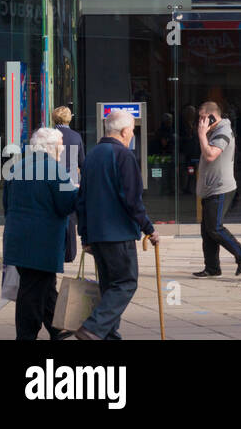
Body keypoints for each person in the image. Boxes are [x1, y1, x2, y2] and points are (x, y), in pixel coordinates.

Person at [75, 108, 158, 340]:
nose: (132, 135)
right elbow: (132, 199)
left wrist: (85, 237)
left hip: (97, 235)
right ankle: (93, 327)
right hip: (118, 234)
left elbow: (81, 200)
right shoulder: (123, 155)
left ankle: (108, 336)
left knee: (109, 287)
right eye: (131, 131)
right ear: (123, 131)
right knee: (125, 283)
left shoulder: (92, 155)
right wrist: (149, 228)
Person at [3, 127, 77, 340]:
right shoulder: (55, 169)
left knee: (44, 285)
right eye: (61, 143)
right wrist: (77, 191)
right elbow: (67, 205)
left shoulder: (17, 167)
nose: (63, 148)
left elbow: (7, 204)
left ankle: (57, 327)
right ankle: (26, 335)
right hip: (42, 244)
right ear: (51, 146)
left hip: (18, 241)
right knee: (32, 294)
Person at [194, 100, 241, 278]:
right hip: (210, 189)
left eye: (203, 118)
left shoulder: (223, 131)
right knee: (207, 231)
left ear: (212, 116)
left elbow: (211, 155)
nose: (200, 122)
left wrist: (202, 134)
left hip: (220, 188)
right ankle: (212, 268)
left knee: (215, 228)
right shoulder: (214, 131)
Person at [52, 105, 85, 263]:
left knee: (52, 214)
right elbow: (82, 161)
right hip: (70, 182)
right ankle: (70, 253)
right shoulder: (76, 136)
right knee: (70, 218)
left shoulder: (49, 136)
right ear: (69, 118)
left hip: (51, 180)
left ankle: (55, 249)